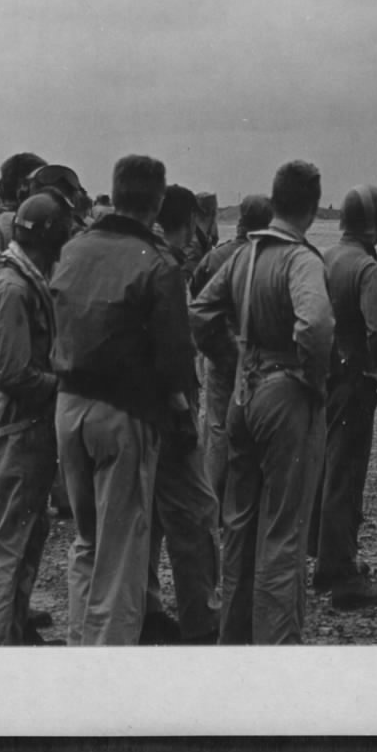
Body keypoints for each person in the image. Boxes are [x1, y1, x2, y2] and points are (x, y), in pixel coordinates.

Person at [52, 154, 196, 646]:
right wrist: (179, 412)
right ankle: (109, 672)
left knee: (88, 542)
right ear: (157, 202)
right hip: (124, 413)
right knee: (122, 555)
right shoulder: (157, 263)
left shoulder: (74, 249)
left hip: (69, 407)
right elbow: (176, 359)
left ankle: (80, 643)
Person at [190, 161, 332, 645]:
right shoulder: (301, 260)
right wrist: (312, 381)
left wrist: (233, 361)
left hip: (242, 395)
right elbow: (314, 325)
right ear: (312, 206)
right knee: (284, 531)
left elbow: (202, 312)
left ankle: (234, 640)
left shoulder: (244, 255)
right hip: (284, 391)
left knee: (239, 525)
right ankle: (277, 650)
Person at [0, 192, 72, 645]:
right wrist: (65, 384)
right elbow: (12, 373)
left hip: (22, 429)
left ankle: (9, 636)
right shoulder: (11, 288)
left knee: (22, 537)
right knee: (5, 545)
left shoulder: (19, 279)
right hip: (16, 430)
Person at [309, 184, 377, 610]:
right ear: (375, 224)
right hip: (353, 383)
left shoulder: (324, 258)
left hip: (324, 380)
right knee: (346, 477)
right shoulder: (367, 269)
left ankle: (325, 558)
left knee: (326, 470)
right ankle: (340, 574)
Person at [140, 185, 222, 645]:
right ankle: (201, 617)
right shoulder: (166, 264)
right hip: (170, 404)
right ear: (191, 219)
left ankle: (148, 605)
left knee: (148, 516)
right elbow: (175, 346)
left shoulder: (140, 253)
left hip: (133, 408)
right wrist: (184, 413)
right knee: (195, 511)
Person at [189, 193, 274, 516]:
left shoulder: (215, 257)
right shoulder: (267, 257)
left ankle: (213, 501)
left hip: (219, 349)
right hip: (258, 353)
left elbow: (198, 296)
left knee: (216, 426)